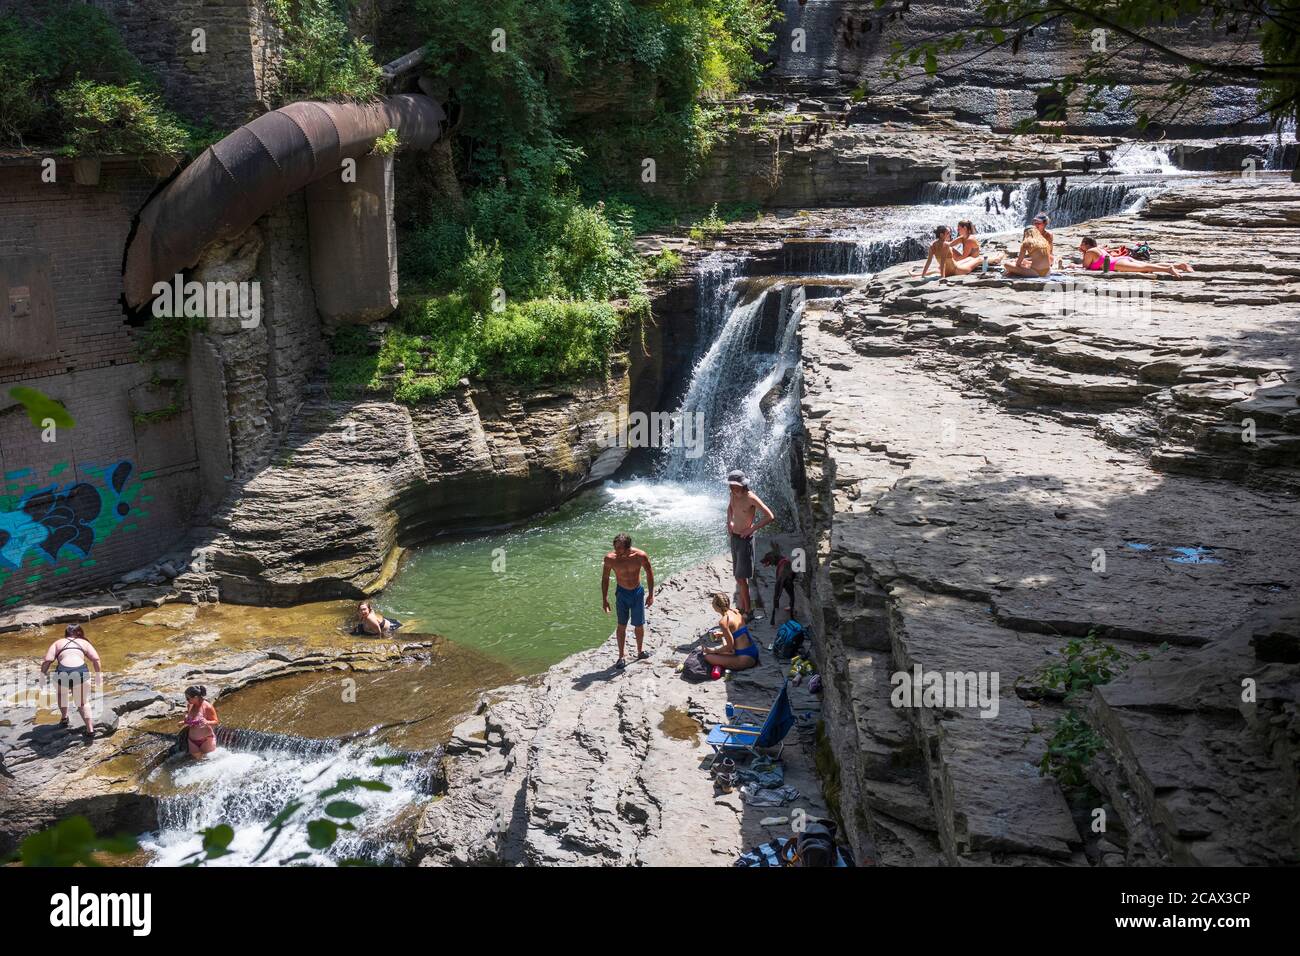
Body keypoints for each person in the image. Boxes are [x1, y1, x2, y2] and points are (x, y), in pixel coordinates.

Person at [601, 532, 655, 669]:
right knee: (621, 625)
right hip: (622, 593)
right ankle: (621, 656)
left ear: (628, 547)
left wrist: (651, 594)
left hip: (637, 592)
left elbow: (649, 573)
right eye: (615, 547)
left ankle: (640, 651)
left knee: (639, 624)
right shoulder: (610, 559)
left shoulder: (640, 556)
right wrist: (605, 599)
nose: (617, 551)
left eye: (620, 548)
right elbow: (605, 578)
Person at [726, 470, 774, 622]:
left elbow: (770, 516)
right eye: (732, 486)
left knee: (742, 577)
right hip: (734, 537)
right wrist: (729, 522)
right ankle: (742, 607)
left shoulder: (751, 497)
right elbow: (730, 508)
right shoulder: (733, 494)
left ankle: (748, 611)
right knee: (738, 577)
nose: (734, 489)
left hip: (745, 540)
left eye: (736, 486)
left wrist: (752, 528)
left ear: (743, 485)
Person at [40, 624, 101, 737]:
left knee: (61, 694)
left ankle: (64, 718)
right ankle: (90, 729)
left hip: (63, 672)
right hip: (80, 672)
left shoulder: (58, 643)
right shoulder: (84, 643)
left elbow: (48, 660)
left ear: (66, 633)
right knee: (83, 702)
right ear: (79, 633)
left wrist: (42, 675)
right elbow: (96, 659)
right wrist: (98, 675)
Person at [1077, 236, 1193, 277]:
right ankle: (1179, 266)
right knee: (1147, 265)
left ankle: (1168, 269)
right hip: (1121, 259)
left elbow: (1085, 267)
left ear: (1086, 244)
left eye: (1082, 244)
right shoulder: (1098, 248)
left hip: (1115, 264)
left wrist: (1082, 253)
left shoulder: (1089, 252)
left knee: (1144, 268)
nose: (1080, 245)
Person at [702, 592, 760, 675]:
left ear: (716, 606)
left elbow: (729, 647)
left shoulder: (724, 621)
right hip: (753, 651)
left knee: (708, 657)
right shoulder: (736, 612)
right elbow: (738, 631)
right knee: (723, 645)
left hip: (745, 659)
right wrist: (722, 634)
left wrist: (712, 650)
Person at [760, 542, 796, 626]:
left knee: (776, 597)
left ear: (773, 559)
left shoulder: (779, 568)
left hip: (780, 579)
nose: (764, 560)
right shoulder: (788, 563)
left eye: (767, 559)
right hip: (788, 580)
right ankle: (792, 616)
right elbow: (793, 574)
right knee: (792, 595)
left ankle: (773, 619)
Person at [181, 685, 219, 759]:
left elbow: (216, 722)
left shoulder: (208, 707)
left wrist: (207, 722)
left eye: (188, 698)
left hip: (206, 740)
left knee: (207, 762)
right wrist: (185, 720)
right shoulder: (190, 705)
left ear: (196, 697)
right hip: (192, 741)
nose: (187, 700)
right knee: (197, 762)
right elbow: (191, 719)